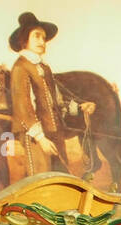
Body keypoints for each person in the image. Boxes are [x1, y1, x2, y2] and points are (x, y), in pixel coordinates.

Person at [8, 11, 95, 177]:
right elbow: (23, 107)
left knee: (60, 179)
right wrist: (41, 139)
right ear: (25, 40)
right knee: (41, 180)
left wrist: (79, 108)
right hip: (35, 136)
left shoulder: (44, 68)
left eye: (44, 38)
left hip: (55, 132)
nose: (42, 41)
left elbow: (55, 101)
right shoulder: (20, 68)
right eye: (37, 36)